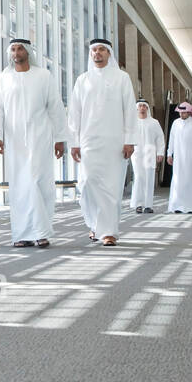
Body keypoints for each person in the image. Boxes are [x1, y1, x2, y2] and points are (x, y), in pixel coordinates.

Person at [0, 38, 68, 247]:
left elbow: (55, 107)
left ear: (28, 52)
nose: (16, 52)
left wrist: (60, 139)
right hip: (14, 141)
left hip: (40, 137)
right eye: (13, 49)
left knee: (38, 181)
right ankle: (22, 234)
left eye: (20, 48)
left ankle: (41, 231)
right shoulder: (3, 78)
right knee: (20, 185)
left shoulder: (43, 76)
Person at [67, 38, 138, 246]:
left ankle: (109, 232)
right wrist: (74, 142)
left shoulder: (122, 78)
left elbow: (129, 110)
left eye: (101, 50)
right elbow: (75, 113)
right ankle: (94, 224)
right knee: (88, 183)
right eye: (94, 50)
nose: (97, 53)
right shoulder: (82, 80)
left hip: (115, 142)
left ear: (109, 53)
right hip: (88, 141)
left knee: (112, 187)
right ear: (90, 54)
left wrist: (130, 140)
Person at [166, 101, 192, 213]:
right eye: (180, 112)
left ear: (189, 112)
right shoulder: (175, 123)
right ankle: (177, 206)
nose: (181, 115)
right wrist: (169, 154)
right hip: (178, 159)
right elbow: (171, 140)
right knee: (178, 181)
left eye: (183, 113)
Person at [130, 100, 165, 214]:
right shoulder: (132, 122)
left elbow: (160, 138)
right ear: (137, 108)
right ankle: (138, 204)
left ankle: (148, 205)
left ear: (147, 108)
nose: (142, 108)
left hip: (150, 151)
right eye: (140, 106)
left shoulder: (154, 122)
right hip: (136, 152)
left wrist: (160, 153)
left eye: (144, 106)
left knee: (149, 178)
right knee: (139, 177)